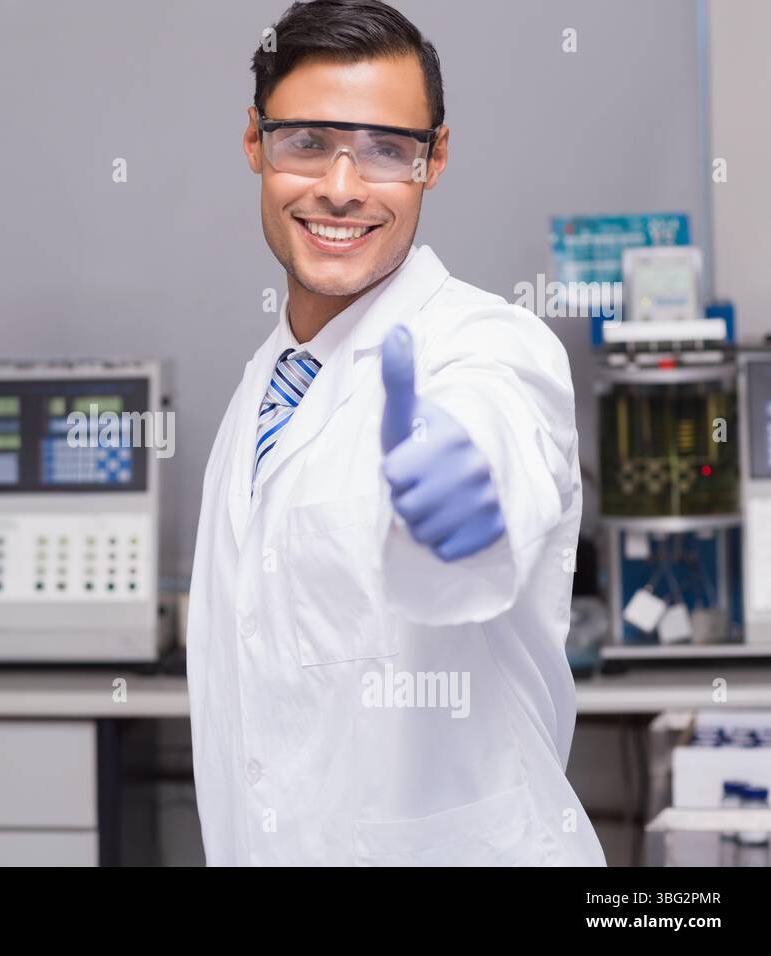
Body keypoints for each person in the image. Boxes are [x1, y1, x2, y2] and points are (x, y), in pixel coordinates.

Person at [185, 0, 606, 866]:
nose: (342, 186)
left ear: (434, 160)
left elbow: (498, 444)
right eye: (307, 141)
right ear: (255, 145)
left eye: (386, 148)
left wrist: (469, 500)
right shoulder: (264, 390)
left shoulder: (485, 346)